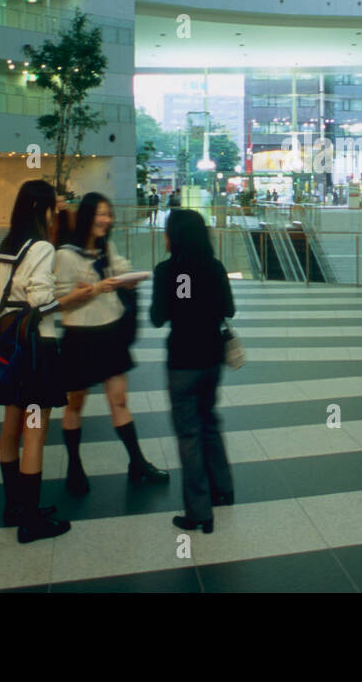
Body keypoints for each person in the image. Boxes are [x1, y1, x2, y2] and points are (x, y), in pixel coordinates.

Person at [0, 179, 94, 544]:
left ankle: (15, 506)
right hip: (35, 347)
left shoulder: (10, 245)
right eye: (54, 206)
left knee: (11, 424)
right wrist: (74, 298)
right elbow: (41, 302)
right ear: (42, 210)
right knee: (35, 431)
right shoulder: (41, 248)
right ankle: (31, 521)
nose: (58, 211)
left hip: (9, 343)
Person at [55, 193, 168, 495]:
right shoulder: (65, 255)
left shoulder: (108, 248)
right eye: (100, 214)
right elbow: (58, 301)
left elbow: (119, 272)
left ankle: (137, 463)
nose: (106, 220)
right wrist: (95, 289)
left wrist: (127, 279)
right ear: (87, 217)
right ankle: (74, 468)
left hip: (110, 334)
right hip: (79, 337)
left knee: (119, 401)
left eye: (109, 214)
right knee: (75, 404)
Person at [150, 209, 236, 533]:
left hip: (183, 361)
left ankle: (199, 511)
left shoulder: (166, 271)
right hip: (212, 359)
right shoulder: (214, 268)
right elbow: (229, 309)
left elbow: (158, 317)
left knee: (189, 433)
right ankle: (223, 490)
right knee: (210, 421)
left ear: (176, 236)